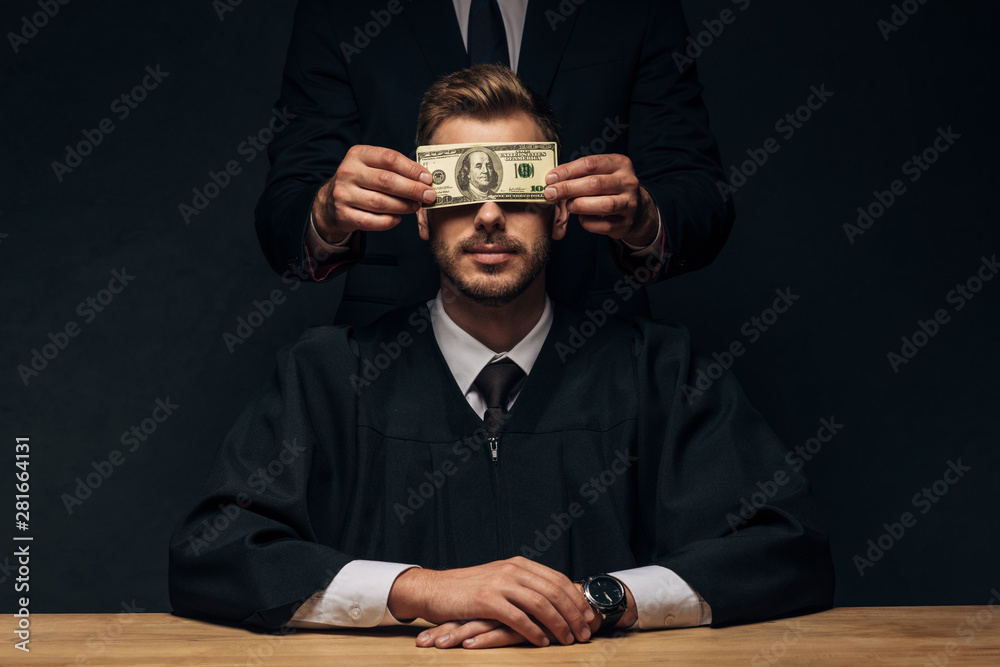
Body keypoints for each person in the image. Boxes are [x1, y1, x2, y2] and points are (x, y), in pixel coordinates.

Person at [172, 66, 833, 650]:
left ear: (562, 212)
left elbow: (787, 550)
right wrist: (422, 590)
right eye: (461, 191)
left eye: (515, 187)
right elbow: (213, 555)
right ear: (423, 215)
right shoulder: (325, 377)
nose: (489, 213)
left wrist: (597, 600)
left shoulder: (660, 372)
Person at [254, 0, 736, 325]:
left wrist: (646, 218)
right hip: (392, 363)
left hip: (597, 359)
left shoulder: (634, 7)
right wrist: (324, 214)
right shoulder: (340, 9)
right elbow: (284, 207)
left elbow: (699, 193)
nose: (489, 212)